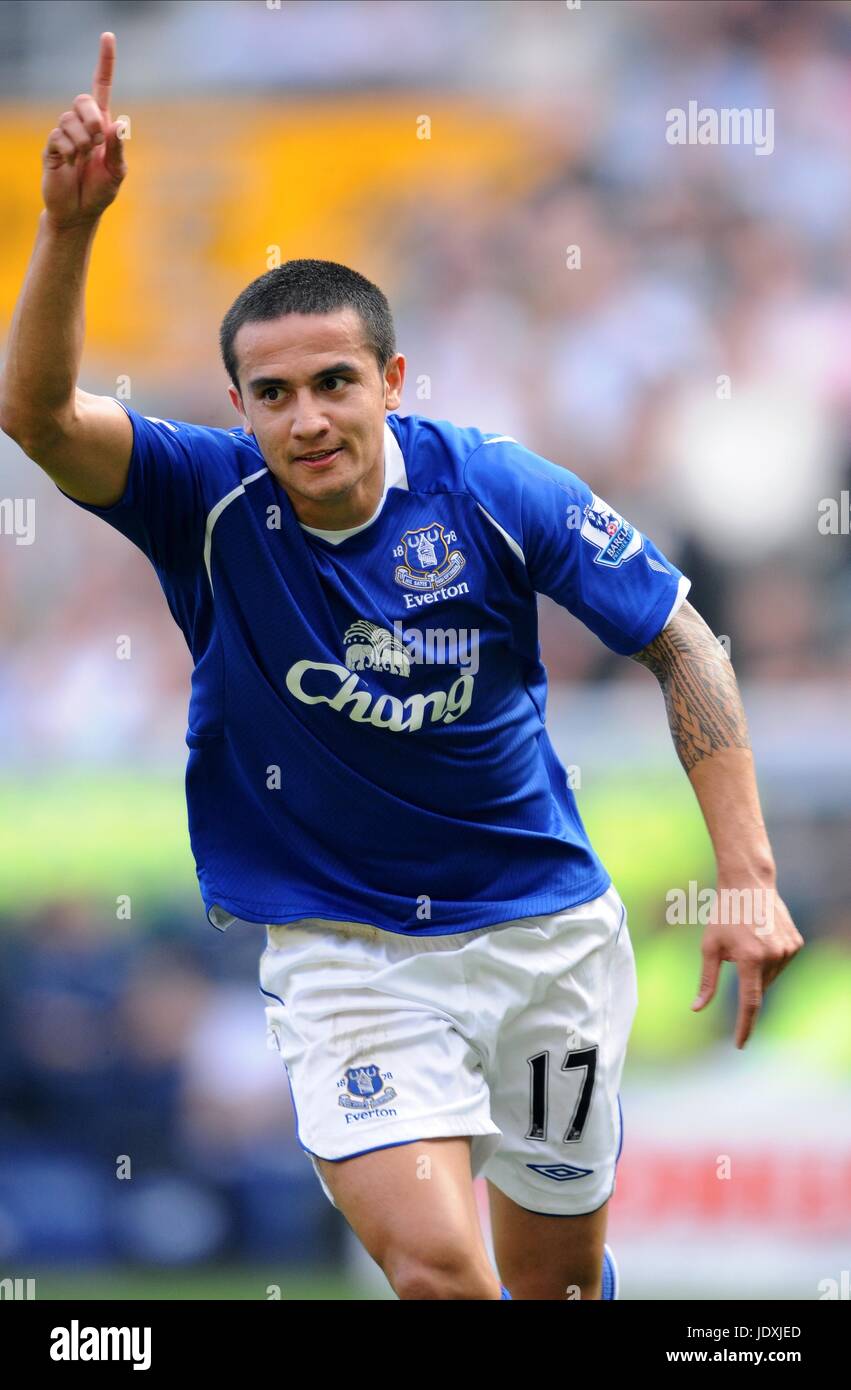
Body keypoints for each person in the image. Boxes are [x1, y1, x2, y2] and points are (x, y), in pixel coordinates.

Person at [0, 33, 804, 1301]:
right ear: (239, 406)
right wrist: (67, 228)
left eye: (334, 382)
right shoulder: (203, 500)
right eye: (272, 394)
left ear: (393, 381)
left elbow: (679, 639)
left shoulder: (488, 488)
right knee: (438, 1275)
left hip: (541, 936)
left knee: (550, 1286)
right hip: (345, 955)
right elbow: (37, 417)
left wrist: (747, 878)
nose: (307, 416)